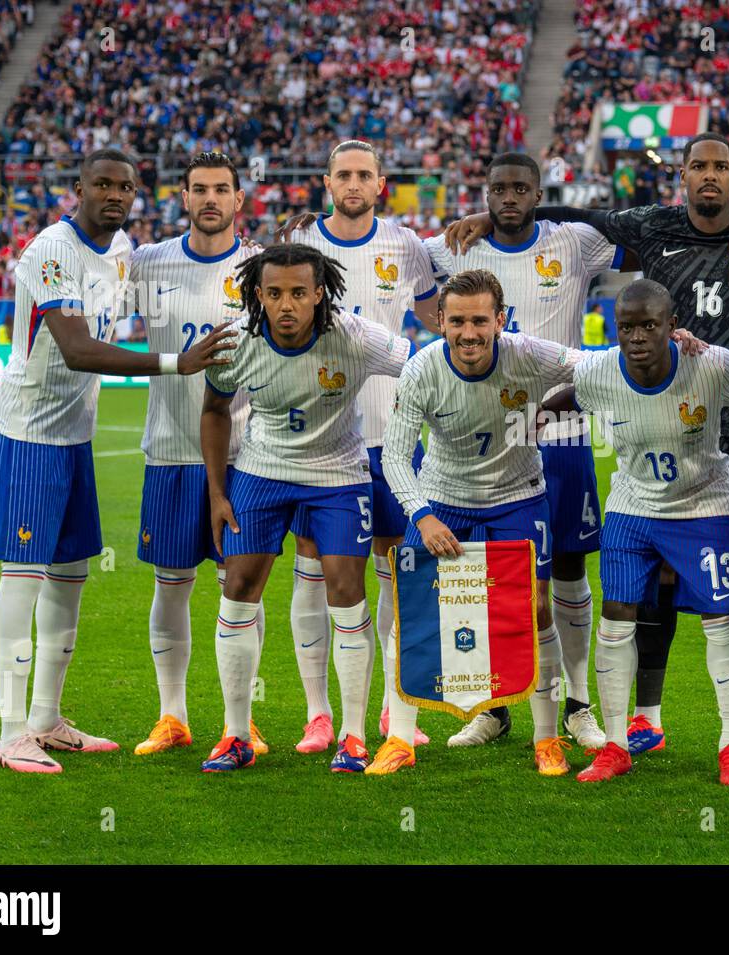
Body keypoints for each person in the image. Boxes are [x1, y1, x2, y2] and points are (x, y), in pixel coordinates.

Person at [444, 132, 729, 758]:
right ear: (683, 175)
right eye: (699, 167)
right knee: (655, 571)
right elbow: (580, 215)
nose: (710, 176)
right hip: (655, 420)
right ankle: (643, 714)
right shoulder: (653, 226)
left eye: (721, 167)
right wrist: (502, 214)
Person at [0, 148, 235, 774]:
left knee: (70, 575)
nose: (115, 194)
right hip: (24, 432)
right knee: (24, 573)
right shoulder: (50, 251)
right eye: (102, 183)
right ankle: (11, 730)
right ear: (78, 188)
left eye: (125, 186)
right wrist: (179, 362)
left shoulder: (123, 252)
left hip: (74, 435)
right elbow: (75, 349)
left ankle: (46, 716)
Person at [551, 280, 729, 786]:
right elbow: (563, 399)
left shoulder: (710, 364)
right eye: (627, 327)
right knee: (616, 615)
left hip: (703, 506)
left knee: (718, 615)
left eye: (649, 325)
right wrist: (526, 426)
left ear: (673, 325)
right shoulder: (599, 372)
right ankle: (616, 746)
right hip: (631, 506)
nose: (637, 336)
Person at [375, 269, 619, 777]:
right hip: (444, 499)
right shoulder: (421, 371)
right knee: (416, 615)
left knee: (533, 611)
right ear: (440, 321)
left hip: (517, 498)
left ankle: (548, 738)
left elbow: (593, 366)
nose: (469, 332)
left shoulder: (527, 354)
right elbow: (396, 457)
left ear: (500, 320)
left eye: (480, 320)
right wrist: (421, 516)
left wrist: (668, 350)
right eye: (458, 320)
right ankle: (401, 739)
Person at [424, 152, 629, 750]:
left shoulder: (574, 242)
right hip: (487, 444)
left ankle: (577, 703)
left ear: (539, 193)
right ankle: (493, 705)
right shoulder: (455, 246)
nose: (509, 197)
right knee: (486, 579)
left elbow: (637, 233)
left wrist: (550, 212)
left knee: (566, 570)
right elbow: (389, 257)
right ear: (483, 193)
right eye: (498, 189)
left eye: (521, 189)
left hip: (561, 437)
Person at [199, 243, 414, 773]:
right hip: (262, 473)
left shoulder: (354, 336)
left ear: (320, 294)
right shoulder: (237, 343)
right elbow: (214, 409)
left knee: (346, 593)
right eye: (274, 293)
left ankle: (353, 735)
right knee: (238, 590)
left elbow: (419, 364)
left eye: (299, 292)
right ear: (258, 295)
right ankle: (235, 734)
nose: (287, 305)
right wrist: (218, 493)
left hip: (338, 476)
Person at [279, 140, 440, 753]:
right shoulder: (300, 248)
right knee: (317, 572)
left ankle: (393, 709)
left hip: (394, 438)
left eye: (363, 175)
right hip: (323, 444)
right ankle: (318, 713)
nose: (352, 183)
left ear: (380, 184)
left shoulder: (405, 246)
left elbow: (435, 318)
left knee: (397, 572)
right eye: (342, 174)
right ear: (326, 182)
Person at [130, 151, 267, 758]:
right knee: (171, 584)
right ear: (182, 198)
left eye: (221, 190)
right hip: (168, 451)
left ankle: (243, 721)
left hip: (246, 457)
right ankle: (172, 715)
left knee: (240, 588)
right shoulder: (146, 263)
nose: (210, 199)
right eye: (198, 190)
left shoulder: (264, 267)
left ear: (241, 199)